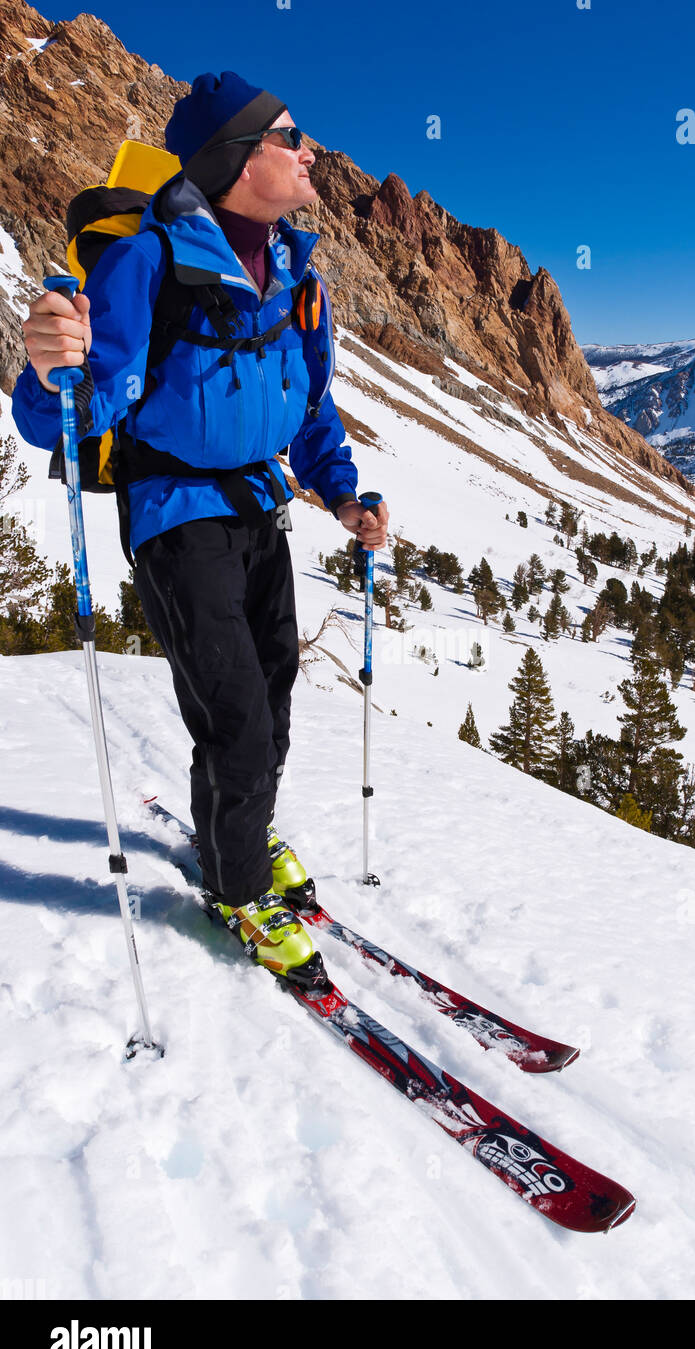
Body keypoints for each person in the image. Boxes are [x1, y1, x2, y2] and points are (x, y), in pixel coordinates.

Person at [12, 71, 389, 991]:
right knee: (237, 714)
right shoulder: (147, 260)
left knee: (274, 690)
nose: (311, 154)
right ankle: (235, 887)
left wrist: (342, 495)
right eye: (289, 137)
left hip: (259, 509)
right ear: (235, 155)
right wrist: (45, 367)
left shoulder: (299, 272)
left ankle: (243, 835)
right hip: (179, 517)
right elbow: (75, 405)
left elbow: (310, 404)